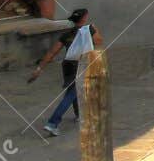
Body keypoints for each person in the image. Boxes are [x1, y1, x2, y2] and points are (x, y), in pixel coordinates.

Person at [28, 8, 103, 138]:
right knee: (71, 93)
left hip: (68, 65)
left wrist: (39, 69)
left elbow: (52, 53)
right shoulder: (90, 30)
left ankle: (79, 114)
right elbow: (99, 42)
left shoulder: (66, 35)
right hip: (82, 64)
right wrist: (95, 30)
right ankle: (53, 123)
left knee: (74, 89)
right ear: (84, 18)